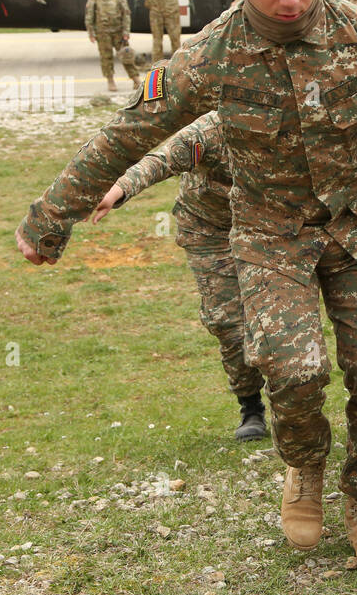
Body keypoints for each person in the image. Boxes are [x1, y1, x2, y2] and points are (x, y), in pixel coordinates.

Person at [15, 0, 357, 575]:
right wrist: (50, 217)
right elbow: (128, 134)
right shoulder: (209, 54)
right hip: (269, 235)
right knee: (294, 370)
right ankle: (303, 469)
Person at [89, 110, 268, 441]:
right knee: (228, 321)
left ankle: (296, 407)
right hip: (209, 231)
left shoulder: (288, 123)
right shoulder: (211, 130)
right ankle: (251, 406)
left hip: (271, 230)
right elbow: (159, 160)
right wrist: (119, 190)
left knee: (281, 320)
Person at [85, 0, 140, 91]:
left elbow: (126, 14)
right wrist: (91, 33)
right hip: (102, 33)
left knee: (126, 55)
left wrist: (126, 32)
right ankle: (110, 81)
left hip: (118, 32)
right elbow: (89, 17)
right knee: (106, 58)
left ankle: (136, 80)